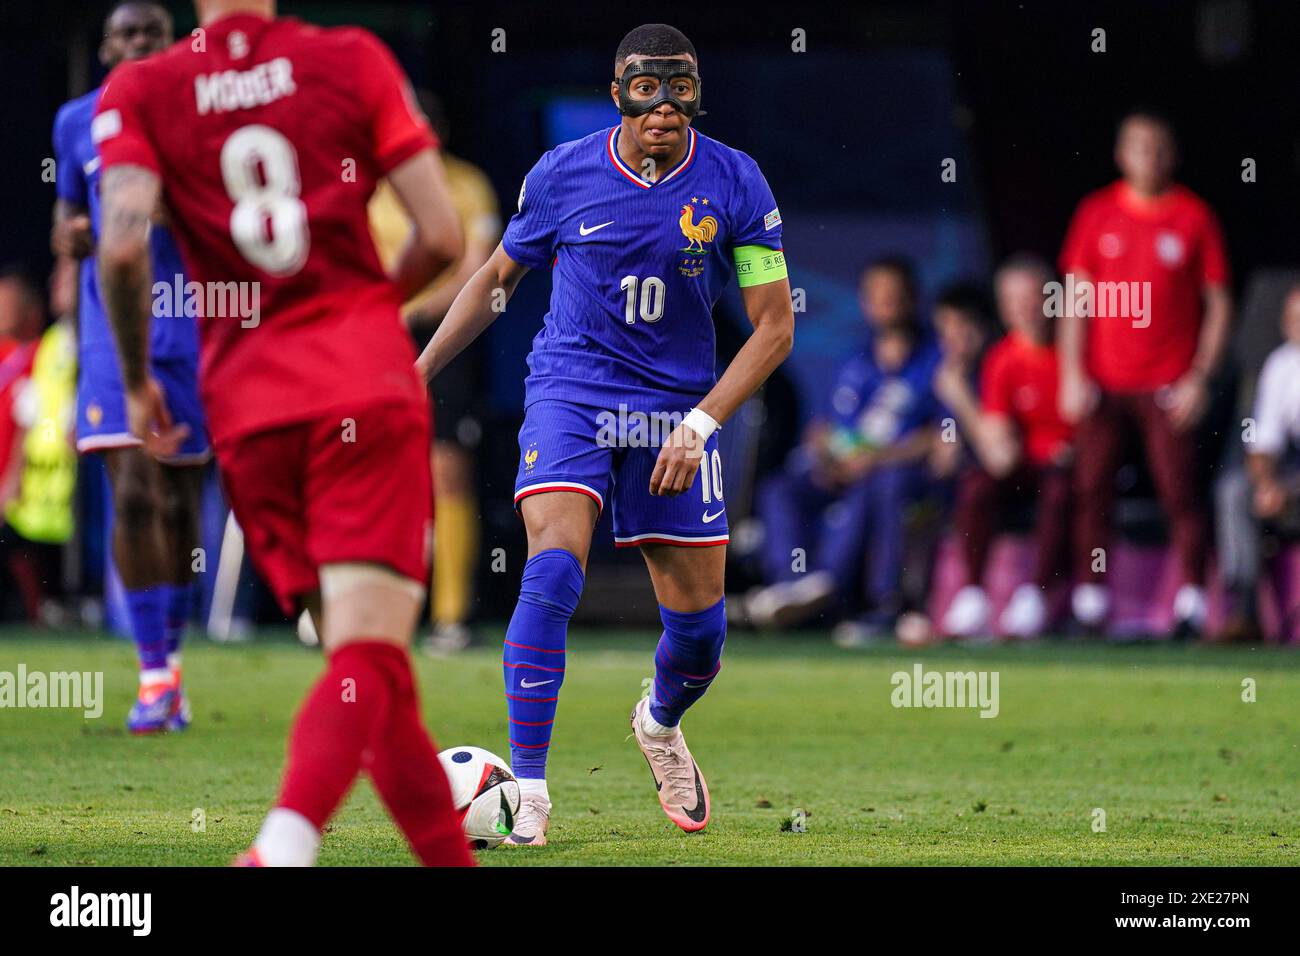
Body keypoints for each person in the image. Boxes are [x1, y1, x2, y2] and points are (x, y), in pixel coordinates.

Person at [93, 0, 471, 866]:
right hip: (363, 388)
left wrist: (139, 375)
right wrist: (367, 309)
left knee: (363, 668)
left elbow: (120, 249)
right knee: (369, 657)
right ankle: (282, 847)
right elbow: (442, 235)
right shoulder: (350, 57)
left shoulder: (146, 85)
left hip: (249, 410)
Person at [416, 23, 794, 845]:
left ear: (698, 92)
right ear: (619, 91)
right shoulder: (562, 174)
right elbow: (496, 281)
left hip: (677, 411)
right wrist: (419, 371)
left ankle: (659, 722)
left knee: (700, 635)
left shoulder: (736, 181)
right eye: (646, 87)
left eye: (680, 87)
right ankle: (533, 794)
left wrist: (702, 422)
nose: (664, 106)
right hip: (572, 393)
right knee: (552, 567)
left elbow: (772, 329)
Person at [52, 0, 207, 732]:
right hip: (114, 330)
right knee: (134, 494)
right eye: (127, 34)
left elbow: (213, 218)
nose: (140, 43)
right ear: (108, 46)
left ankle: (170, 665)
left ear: (172, 43)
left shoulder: (199, 111)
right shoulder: (75, 120)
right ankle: (151, 676)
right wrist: (81, 234)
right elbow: (68, 219)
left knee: (180, 503)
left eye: (153, 32)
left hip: (193, 321)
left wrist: (151, 206)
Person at [1058, 109, 1233, 638]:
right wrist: (1070, 371)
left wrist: (1201, 375)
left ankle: (1194, 597)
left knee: (1179, 491)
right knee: (1091, 488)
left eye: (1159, 147)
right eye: (1139, 146)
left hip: (1169, 381)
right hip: (1104, 381)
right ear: (1121, 154)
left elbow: (1219, 303)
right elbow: (1076, 297)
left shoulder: (1193, 216)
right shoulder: (1096, 212)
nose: (1149, 156)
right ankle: (1091, 598)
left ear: (1173, 155)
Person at [368, 91, 501, 652]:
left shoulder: (468, 185)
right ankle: (363, 613)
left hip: (447, 336)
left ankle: (449, 617)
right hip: (375, 338)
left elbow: (480, 267)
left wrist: (415, 309)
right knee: (367, 470)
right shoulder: (370, 190)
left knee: (446, 470)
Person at [747, 257, 940, 639]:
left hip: (893, 473)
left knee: (878, 486)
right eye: (877, 296)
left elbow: (938, 435)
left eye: (894, 296)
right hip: (842, 467)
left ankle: (858, 597)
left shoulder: (934, 360)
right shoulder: (856, 358)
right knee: (782, 489)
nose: (886, 304)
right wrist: (826, 455)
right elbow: (824, 426)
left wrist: (877, 459)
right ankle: (794, 584)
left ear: (913, 298)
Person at [936, 255, 1074, 639]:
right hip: (1021, 468)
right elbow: (1001, 458)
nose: (1024, 310)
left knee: (1061, 490)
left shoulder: (1074, 351)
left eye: (1031, 299)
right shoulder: (1002, 360)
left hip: (1066, 470)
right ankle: (973, 596)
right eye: (1012, 301)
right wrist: (960, 395)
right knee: (977, 485)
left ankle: (1037, 596)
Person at [1213, 285, 1300, 642]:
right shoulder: (1282, 364)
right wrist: (1267, 484)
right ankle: (1245, 607)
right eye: (1293, 319)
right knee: (1234, 490)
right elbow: (1263, 444)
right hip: (1289, 469)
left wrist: (1290, 490)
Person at [0, 267, 71, 624]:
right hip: (25, 482)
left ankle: (42, 611)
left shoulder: (41, 352)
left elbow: (30, 418)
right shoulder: (10, 355)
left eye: (7, 301)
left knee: (26, 551)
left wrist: (14, 474)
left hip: (44, 483)